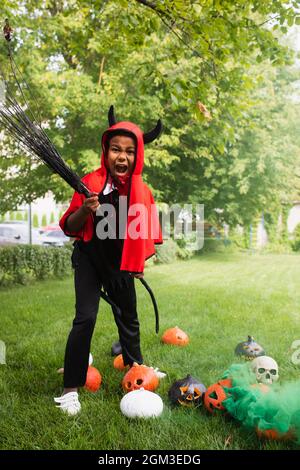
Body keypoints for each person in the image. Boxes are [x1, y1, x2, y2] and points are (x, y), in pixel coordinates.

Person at [54, 107, 163, 415]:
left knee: (128, 315)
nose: (122, 157)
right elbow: (71, 227)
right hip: (89, 258)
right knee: (85, 317)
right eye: (116, 149)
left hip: (119, 262)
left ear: (137, 156)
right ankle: (70, 388)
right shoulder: (90, 182)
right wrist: (85, 209)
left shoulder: (142, 193)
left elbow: (141, 234)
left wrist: (137, 264)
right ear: (107, 150)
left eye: (129, 151)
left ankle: (136, 368)